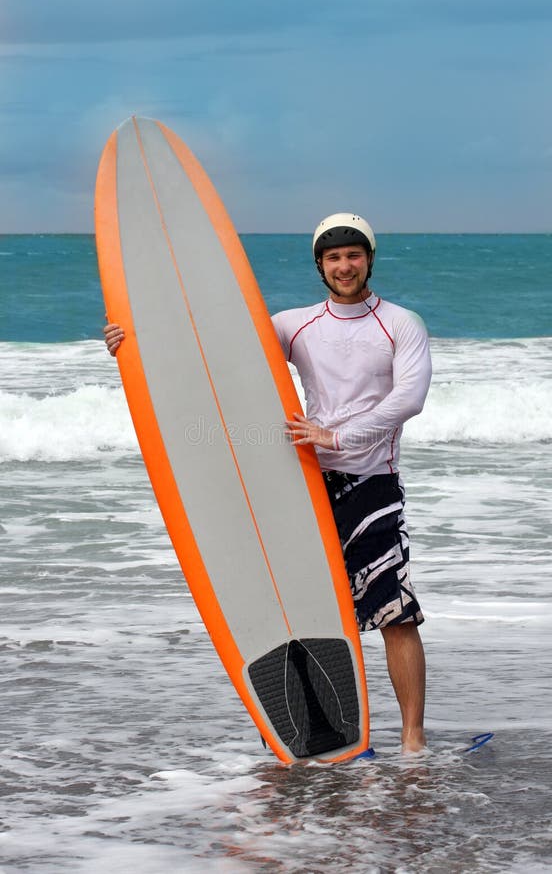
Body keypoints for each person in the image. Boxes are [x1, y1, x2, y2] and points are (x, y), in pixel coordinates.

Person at [104, 212, 432, 754]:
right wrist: (130, 343)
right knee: (294, 611)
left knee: (395, 612)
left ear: (369, 259)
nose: (344, 266)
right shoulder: (293, 325)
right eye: (333, 258)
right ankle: (303, 732)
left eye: (353, 255)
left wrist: (336, 435)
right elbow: (210, 353)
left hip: (371, 481)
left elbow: (408, 399)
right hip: (298, 486)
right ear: (320, 266)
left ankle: (413, 739)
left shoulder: (400, 324)